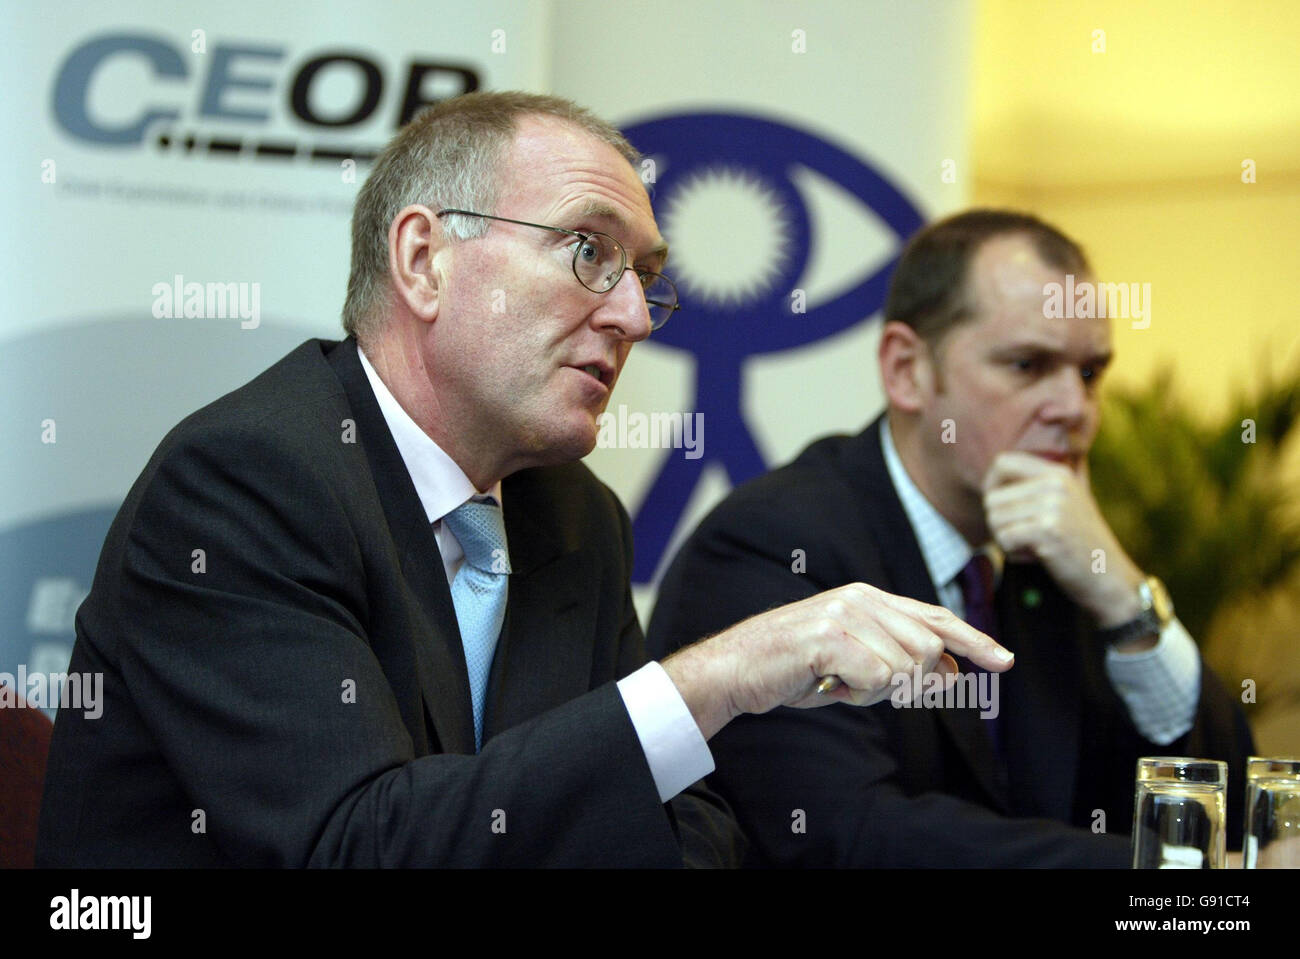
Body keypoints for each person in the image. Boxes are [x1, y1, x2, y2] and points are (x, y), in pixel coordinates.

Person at [36, 94, 1011, 868]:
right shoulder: (250, 479)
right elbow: (355, 847)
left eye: (643, 275)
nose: (633, 313)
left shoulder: (570, 511)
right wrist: (712, 679)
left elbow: (697, 837)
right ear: (424, 259)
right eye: (589, 251)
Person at [647, 209, 1254, 867]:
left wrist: (1122, 597)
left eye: (1089, 373)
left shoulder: (1066, 553)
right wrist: (1167, 869)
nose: (1074, 408)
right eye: (1028, 364)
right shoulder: (773, 541)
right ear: (908, 369)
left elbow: (1225, 803)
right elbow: (850, 836)